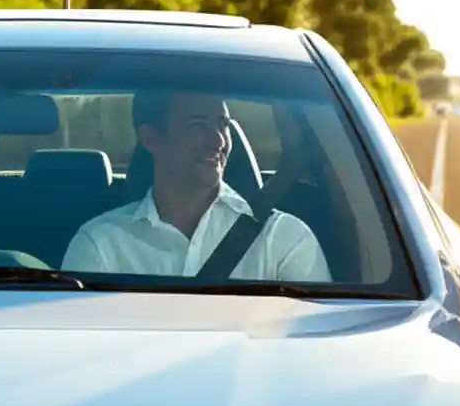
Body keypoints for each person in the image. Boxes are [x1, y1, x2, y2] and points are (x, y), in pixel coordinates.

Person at [61, 90, 331, 282]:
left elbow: (317, 349)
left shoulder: (284, 240)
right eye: (197, 126)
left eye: (223, 124)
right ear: (151, 138)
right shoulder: (101, 246)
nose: (218, 141)